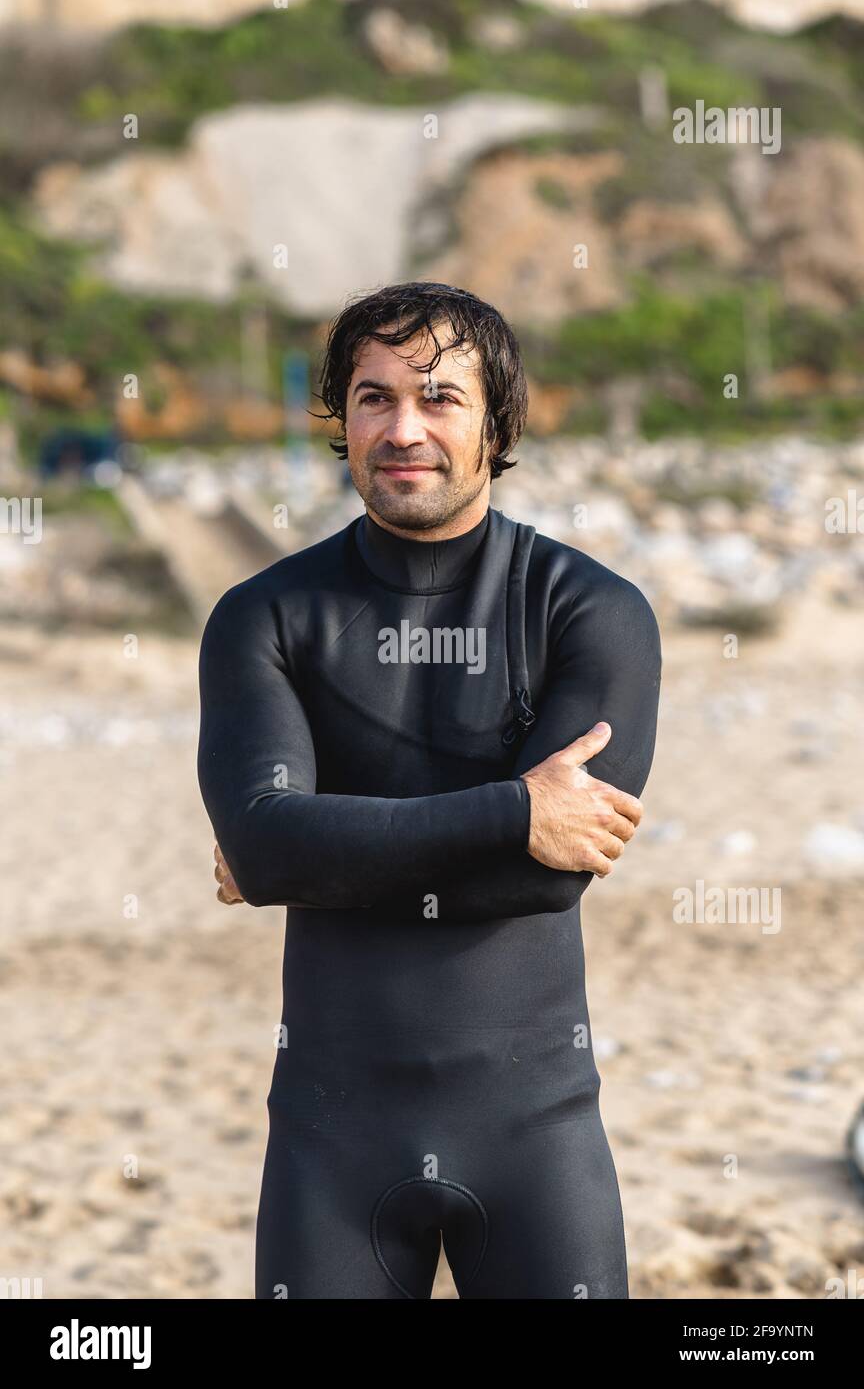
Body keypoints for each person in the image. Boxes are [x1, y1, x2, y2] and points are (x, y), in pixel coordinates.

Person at [197, 281, 662, 1299]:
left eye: (440, 397)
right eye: (373, 398)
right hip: (330, 1139)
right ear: (343, 418)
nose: (403, 429)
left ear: (497, 423)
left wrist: (313, 847)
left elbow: (548, 882)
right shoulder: (263, 618)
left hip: (536, 1134)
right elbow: (273, 846)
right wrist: (514, 809)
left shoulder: (590, 611)